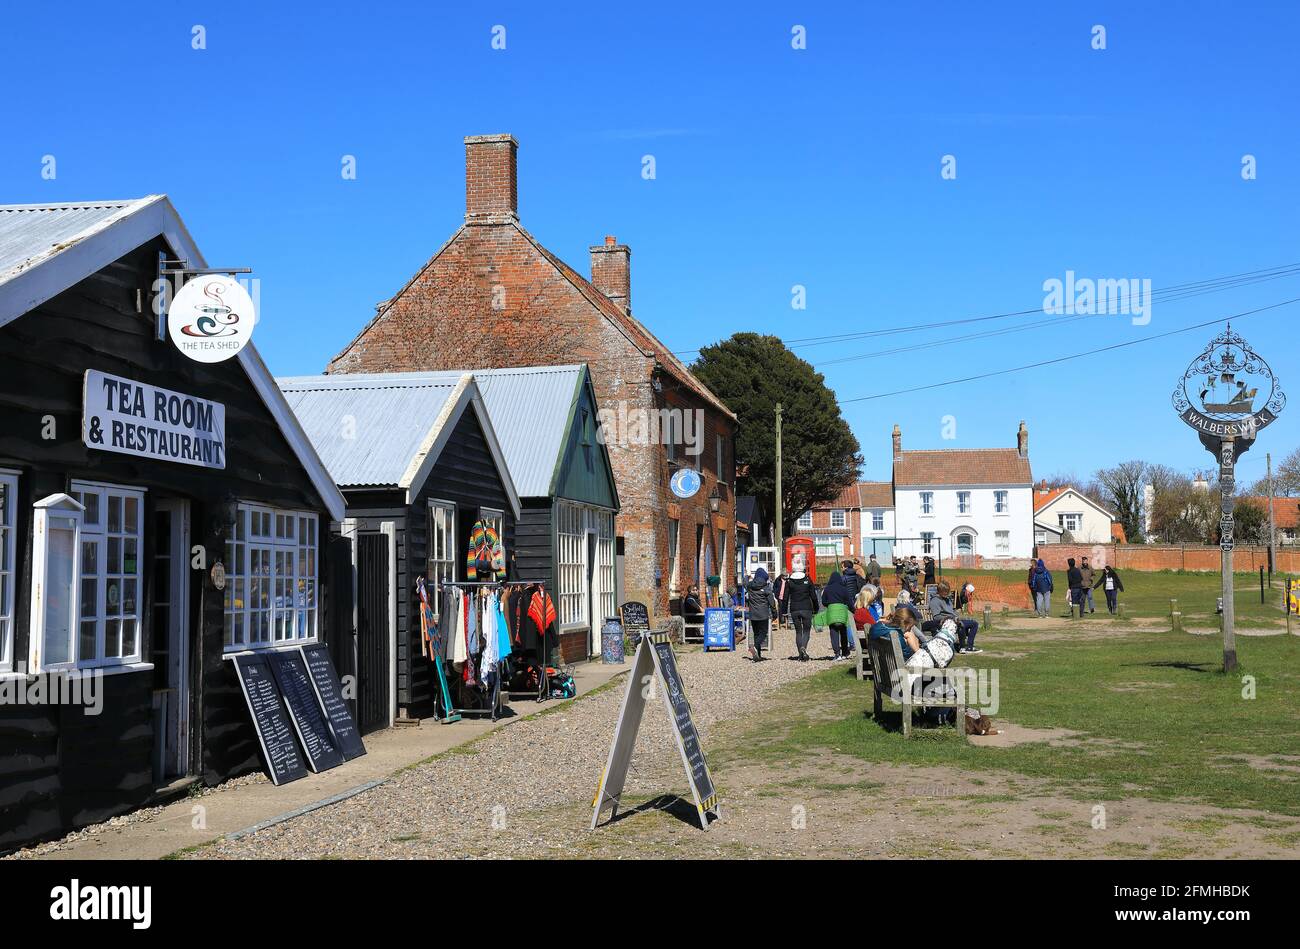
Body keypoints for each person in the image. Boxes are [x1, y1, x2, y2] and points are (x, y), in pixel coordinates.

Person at [926, 579, 981, 653]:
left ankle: (969, 646)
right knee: (960, 625)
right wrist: (950, 618)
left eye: (947, 591)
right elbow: (936, 617)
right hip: (944, 623)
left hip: (954, 620)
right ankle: (962, 647)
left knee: (974, 624)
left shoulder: (947, 599)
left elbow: (952, 611)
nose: (947, 593)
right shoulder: (935, 601)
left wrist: (956, 616)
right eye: (945, 592)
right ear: (940, 591)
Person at [782, 568, 820, 661]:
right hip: (806, 608)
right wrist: (816, 608)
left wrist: (784, 611)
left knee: (798, 632)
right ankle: (803, 648)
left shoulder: (789, 581)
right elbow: (813, 596)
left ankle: (800, 654)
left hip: (794, 609)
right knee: (806, 631)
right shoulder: (807, 579)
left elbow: (785, 597)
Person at [744, 568, 778, 661]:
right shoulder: (766, 588)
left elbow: (744, 583)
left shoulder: (750, 586)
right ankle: (755, 647)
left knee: (756, 634)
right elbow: (772, 603)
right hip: (763, 615)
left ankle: (757, 655)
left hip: (753, 615)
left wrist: (747, 576)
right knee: (763, 633)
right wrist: (775, 614)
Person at [822, 571, 855, 661]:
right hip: (842, 613)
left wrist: (830, 605)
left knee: (834, 633)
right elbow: (849, 602)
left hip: (832, 613)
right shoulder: (844, 589)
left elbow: (823, 602)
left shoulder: (827, 589)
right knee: (843, 633)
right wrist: (853, 611)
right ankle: (845, 652)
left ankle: (837, 654)